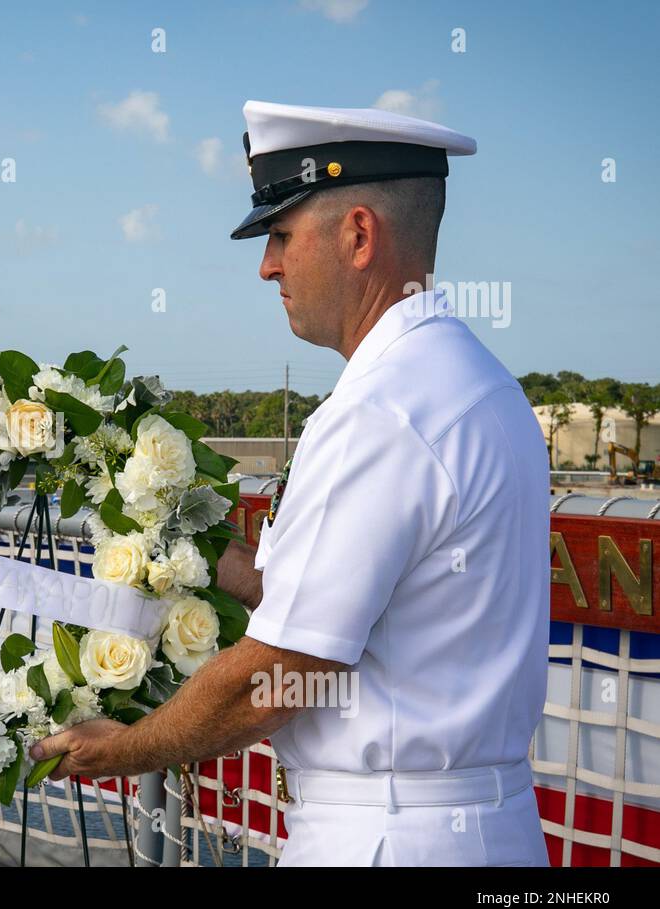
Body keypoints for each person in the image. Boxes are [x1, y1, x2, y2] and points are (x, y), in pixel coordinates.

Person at [30, 101, 551, 866]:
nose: (267, 267)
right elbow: (358, 602)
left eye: (280, 235)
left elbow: (275, 678)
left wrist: (121, 749)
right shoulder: (483, 385)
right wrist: (192, 553)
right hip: (491, 826)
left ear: (359, 235)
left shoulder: (378, 413)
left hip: (385, 835)